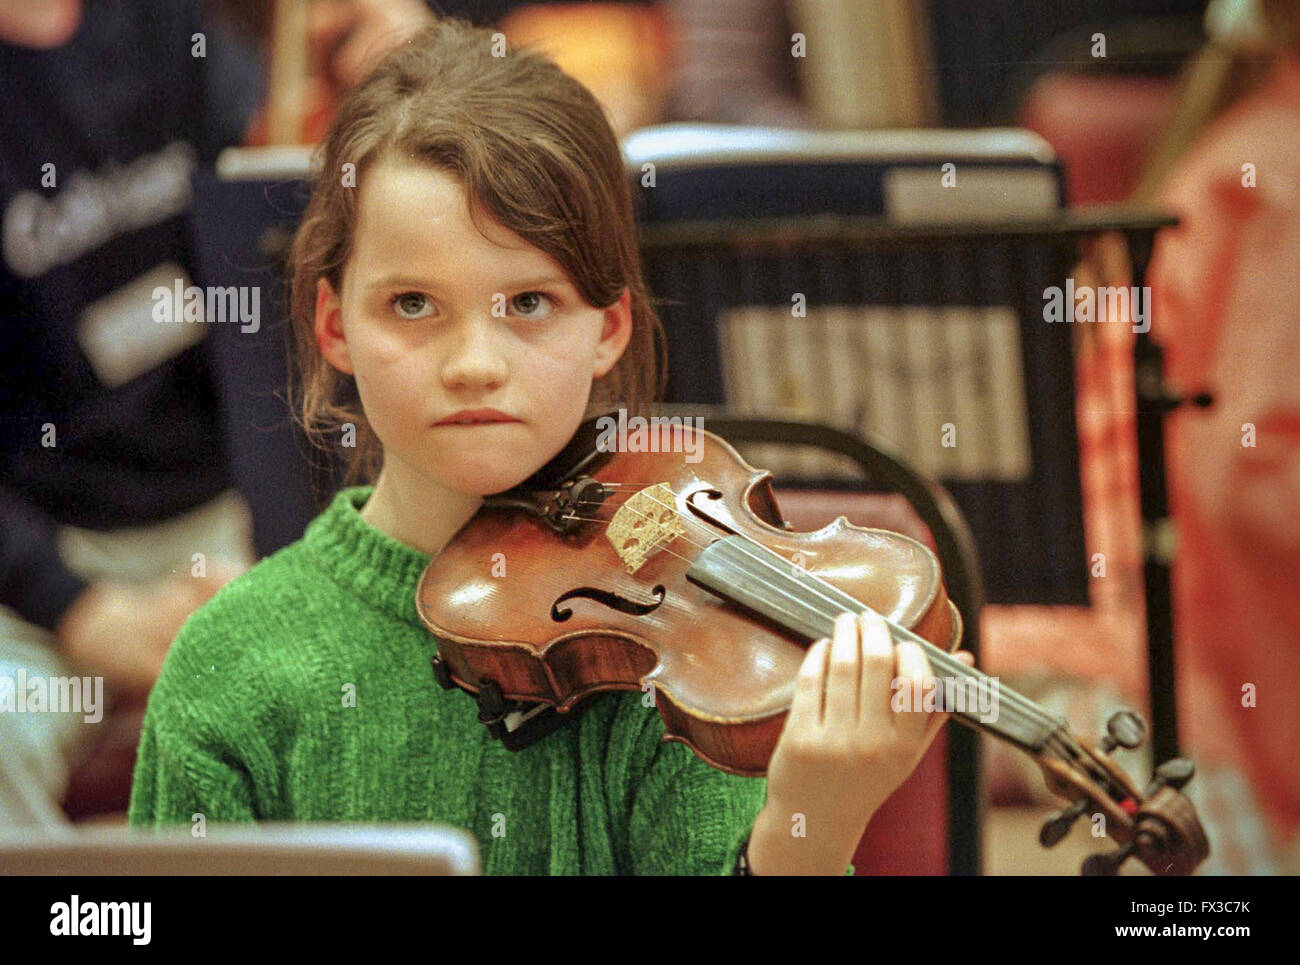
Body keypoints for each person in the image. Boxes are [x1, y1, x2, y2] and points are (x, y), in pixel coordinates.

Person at [128, 16, 971, 875]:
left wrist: (809, 827)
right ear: (334, 325)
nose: (474, 364)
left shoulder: (680, 663)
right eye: (413, 304)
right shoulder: (227, 667)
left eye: (529, 303)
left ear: (608, 329)